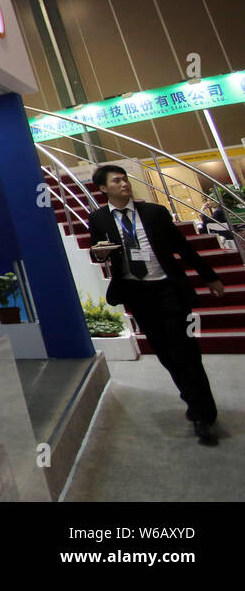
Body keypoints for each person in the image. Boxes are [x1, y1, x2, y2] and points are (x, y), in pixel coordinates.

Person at [87, 164, 226, 445]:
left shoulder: (154, 213)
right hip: (136, 293)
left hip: (168, 289)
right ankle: (191, 399)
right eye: (117, 181)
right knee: (164, 353)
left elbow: (182, 248)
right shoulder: (99, 219)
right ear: (103, 189)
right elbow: (97, 252)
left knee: (185, 351)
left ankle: (204, 416)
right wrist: (98, 254)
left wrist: (209, 276)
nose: (124, 184)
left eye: (125, 179)